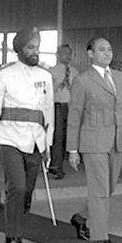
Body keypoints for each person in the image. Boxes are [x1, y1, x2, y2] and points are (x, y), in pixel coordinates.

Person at [66, 37, 122, 243]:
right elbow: (74, 117)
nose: (107, 53)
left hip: (117, 141)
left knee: (108, 188)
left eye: (109, 49)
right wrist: (72, 149)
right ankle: (101, 237)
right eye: (101, 50)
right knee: (100, 190)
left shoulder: (121, 78)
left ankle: (80, 218)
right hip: (93, 142)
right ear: (90, 54)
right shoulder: (82, 81)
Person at [0, 28, 54, 243]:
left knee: (27, 192)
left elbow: (48, 111)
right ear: (19, 49)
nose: (35, 52)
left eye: (37, 47)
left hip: (35, 141)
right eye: (30, 47)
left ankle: (18, 234)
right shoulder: (3, 74)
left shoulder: (45, 76)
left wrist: (48, 144)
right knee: (17, 187)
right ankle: (11, 238)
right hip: (8, 138)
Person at [47, 44, 78, 180]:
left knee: (70, 135)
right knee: (58, 136)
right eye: (65, 53)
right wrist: (58, 87)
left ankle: (69, 161)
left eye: (70, 53)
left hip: (71, 107)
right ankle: (55, 166)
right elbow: (46, 92)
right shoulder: (51, 72)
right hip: (58, 106)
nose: (68, 56)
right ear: (58, 55)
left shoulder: (75, 72)